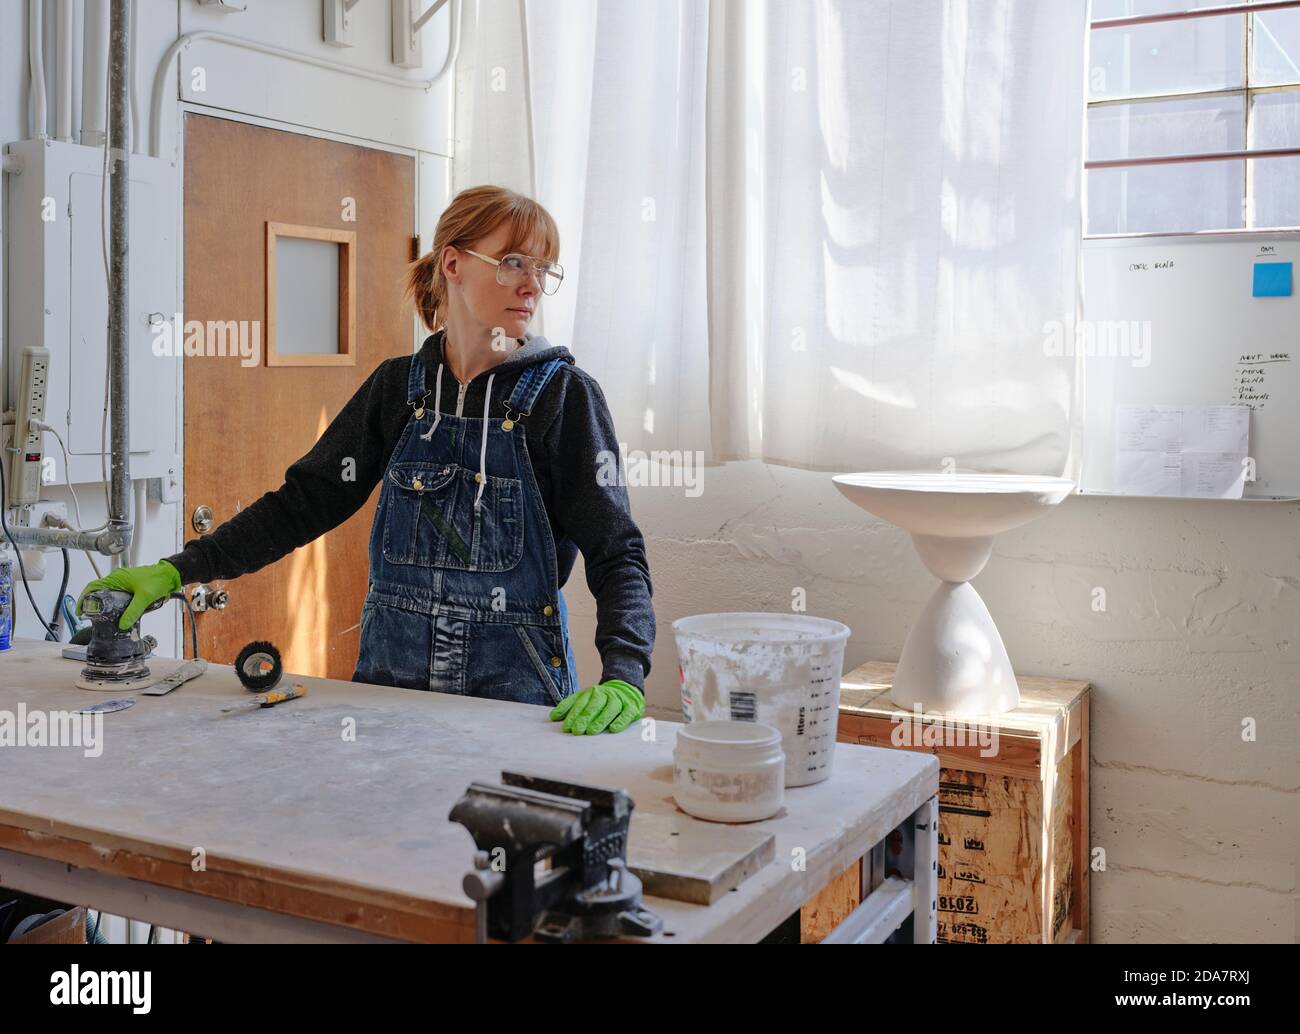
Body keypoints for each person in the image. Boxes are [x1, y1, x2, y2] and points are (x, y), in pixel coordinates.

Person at [76, 185, 654, 735]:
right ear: (452, 264)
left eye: (543, 268)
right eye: (512, 262)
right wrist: (180, 569)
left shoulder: (563, 398)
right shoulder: (397, 390)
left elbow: (615, 550)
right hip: (388, 693)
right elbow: (302, 505)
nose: (532, 284)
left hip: (517, 700)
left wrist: (625, 674)